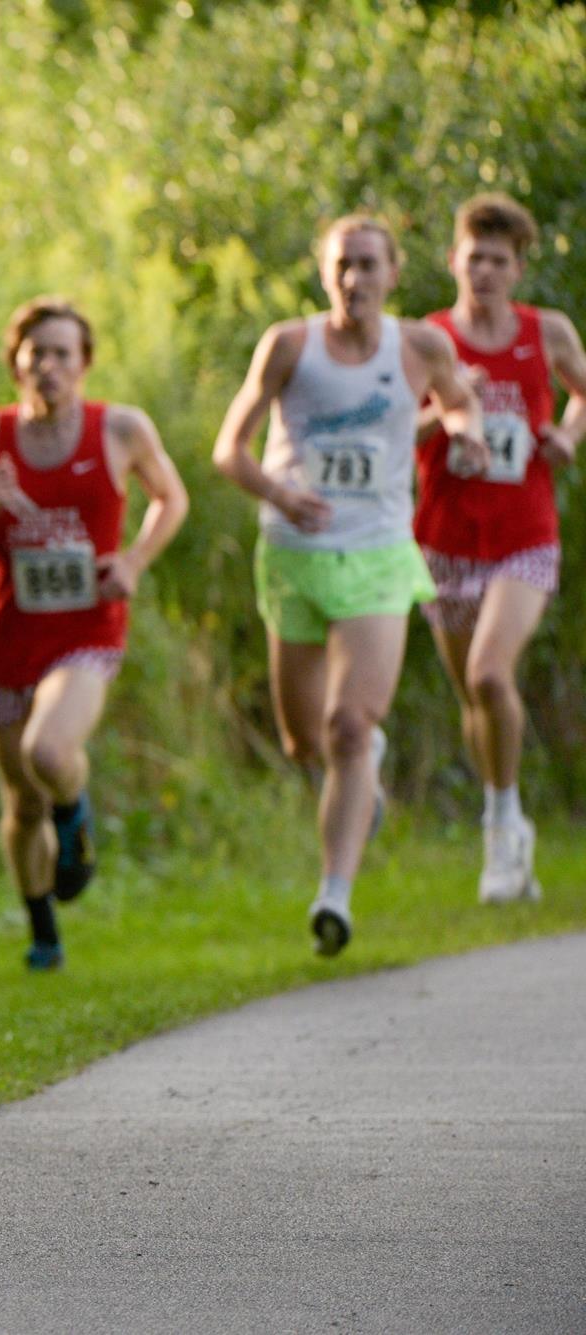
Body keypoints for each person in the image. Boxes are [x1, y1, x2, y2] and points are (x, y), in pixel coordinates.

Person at [212, 214, 486, 957]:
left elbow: (462, 399)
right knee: (306, 742)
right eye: (341, 265)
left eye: (368, 265)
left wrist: (466, 431)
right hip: (295, 555)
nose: (353, 279)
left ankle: (334, 895)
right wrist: (278, 491)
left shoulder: (421, 346)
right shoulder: (289, 346)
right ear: (323, 273)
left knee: (349, 726)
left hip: (377, 554)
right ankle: (367, 783)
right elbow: (227, 451)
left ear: (394, 273)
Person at [0, 297, 189, 971]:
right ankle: (43, 928)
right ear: (14, 361)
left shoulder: (121, 429)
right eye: (35, 352)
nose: (47, 365)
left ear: (84, 363)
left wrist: (132, 560)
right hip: (10, 640)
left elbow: (173, 496)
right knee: (19, 803)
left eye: (61, 353)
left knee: (50, 752)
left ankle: (75, 821)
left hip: (87, 632)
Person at [413, 193, 586, 904]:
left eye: (498, 260)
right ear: (453, 259)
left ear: (518, 269)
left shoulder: (545, 332)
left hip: (524, 533)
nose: (483, 270)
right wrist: (448, 410)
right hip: (445, 538)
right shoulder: (426, 339)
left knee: (490, 674)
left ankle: (503, 826)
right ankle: (502, 812)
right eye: (472, 256)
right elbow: (391, 431)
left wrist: (568, 438)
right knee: (474, 696)